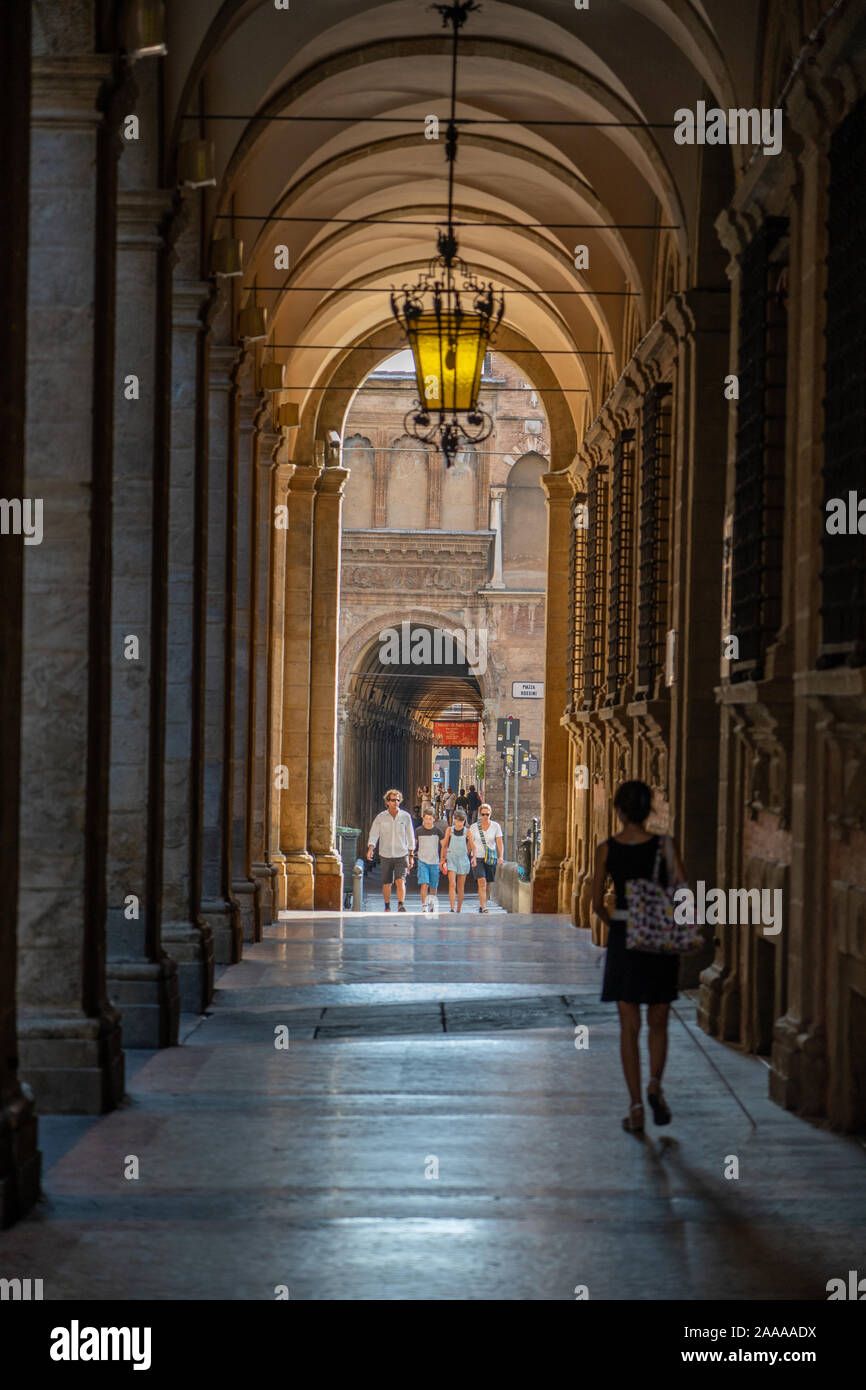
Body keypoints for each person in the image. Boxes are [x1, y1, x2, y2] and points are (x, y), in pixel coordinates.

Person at [591, 779, 685, 1135]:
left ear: (618, 810)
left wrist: (616, 924)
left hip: (624, 941)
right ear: (649, 811)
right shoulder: (666, 847)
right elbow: (683, 894)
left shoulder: (607, 849)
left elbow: (596, 902)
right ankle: (655, 1086)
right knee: (658, 1020)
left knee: (629, 1028)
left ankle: (635, 1108)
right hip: (658, 943)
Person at [366, 789, 415, 912]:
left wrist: (411, 855)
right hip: (385, 854)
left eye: (398, 800)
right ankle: (387, 906)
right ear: (387, 802)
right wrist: (371, 849)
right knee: (387, 882)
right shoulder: (381, 817)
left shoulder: (405, 817)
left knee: (400, 880)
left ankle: (400, 904)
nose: (396, 803)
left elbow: (410, 836)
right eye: (393, 800)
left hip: (401, 854)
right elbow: (374, 834)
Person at [468, 803, 504, 913]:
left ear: (490, 814)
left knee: (488, 883)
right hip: (477, 856)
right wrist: (468, 855)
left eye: (487, 814)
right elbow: (470, 843)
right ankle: (483, 907)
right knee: (482, 881)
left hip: (491, 858)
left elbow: (499, 843)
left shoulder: (496, 826)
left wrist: (500, 856)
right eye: (483, 814)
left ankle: (485, 902)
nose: (485, 816)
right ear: (480, 814)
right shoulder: (474, 827)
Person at [440, 808, 473, 911]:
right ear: (454, 819)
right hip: (452, 858)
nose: (459, 823)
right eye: (457, 820)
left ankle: (459, 908)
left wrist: (471, 856)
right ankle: (452, 908)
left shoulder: (467, 831)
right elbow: (444, 845)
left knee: (460, 886)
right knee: (452, 883)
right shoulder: (449, 830)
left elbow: (471, 846)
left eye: (462, 820)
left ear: (464, 821)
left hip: (463, 859)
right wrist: (442, 859)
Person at [415, 808, 445, 913]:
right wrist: (410, 855)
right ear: (423, 819)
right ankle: (424, 906)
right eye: (426, 818)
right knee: (424, 883)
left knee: (433, 886)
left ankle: (431, 904)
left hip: (435, 862)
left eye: (430, 819)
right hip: (422, 861)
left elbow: (444, 846)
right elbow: (414, 844)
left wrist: (443, 860)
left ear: (434, 819)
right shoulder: (418, 831)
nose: (428, 821)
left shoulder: (438, 831)